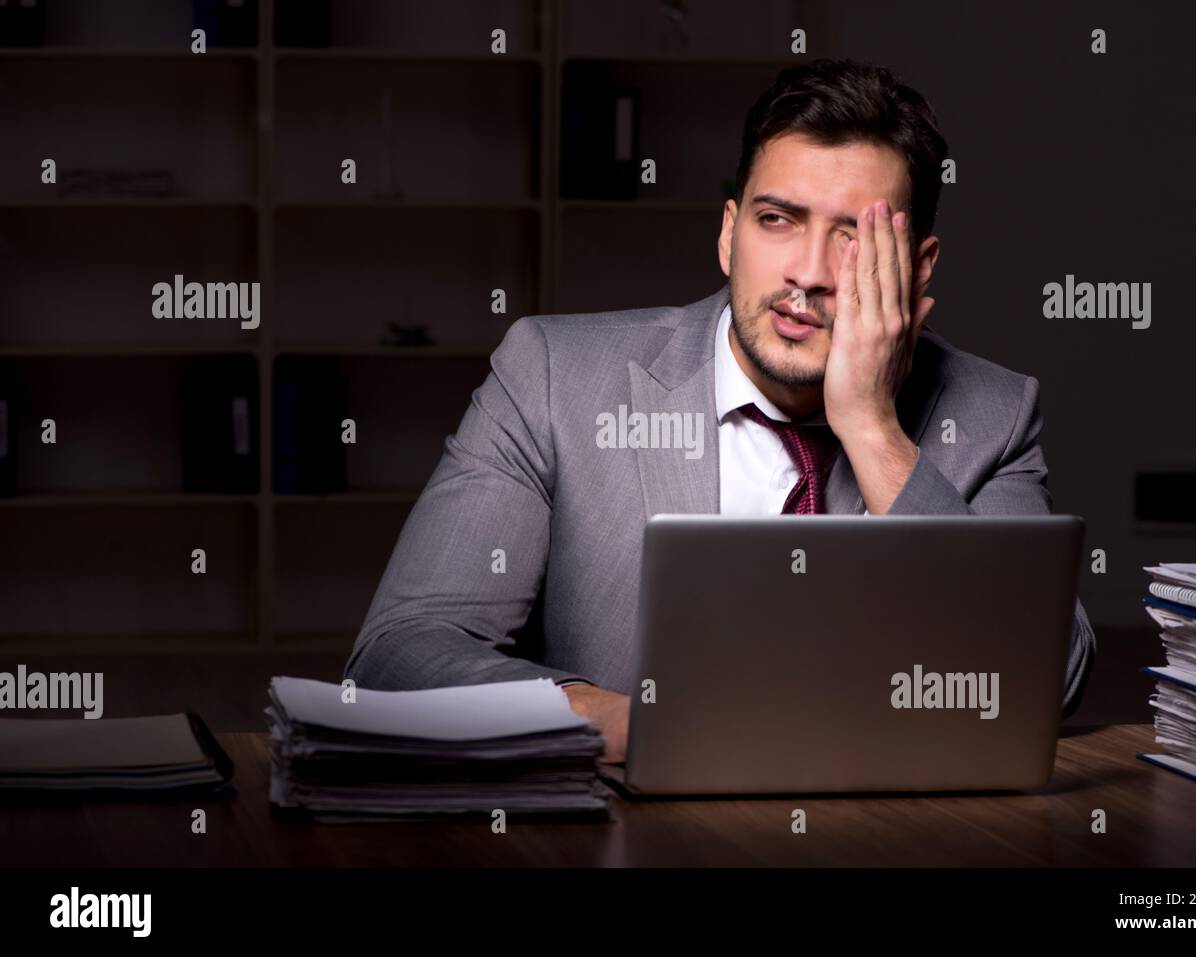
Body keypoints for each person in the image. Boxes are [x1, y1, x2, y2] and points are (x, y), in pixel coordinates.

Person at [344, 58, 1096, 763]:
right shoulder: (551, 375)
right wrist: (634, 724)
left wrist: (872, 428)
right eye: (778, 220)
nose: (806, 273)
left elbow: (1045, 681)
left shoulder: (993, 413)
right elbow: (404, 648)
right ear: (729, 232)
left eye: (852, 238)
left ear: (918, 267)